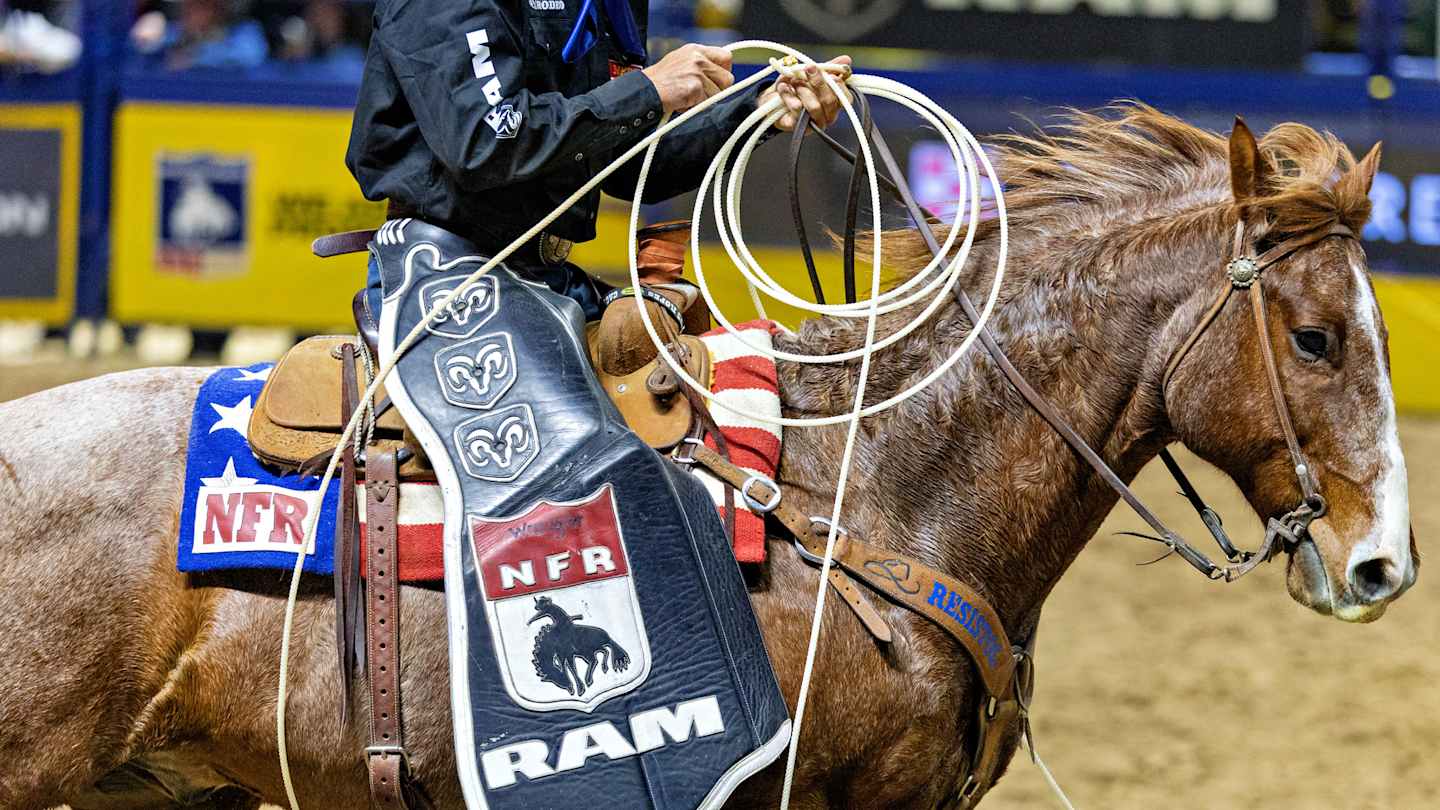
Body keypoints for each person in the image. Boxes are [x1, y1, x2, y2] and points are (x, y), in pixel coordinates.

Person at [345, 0, 851, 349]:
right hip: (445, 278)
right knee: (589, 457)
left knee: (710, 383)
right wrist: (649, 90)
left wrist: (760, 109)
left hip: (545, 281)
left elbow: (629, 164)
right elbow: (484, 141)